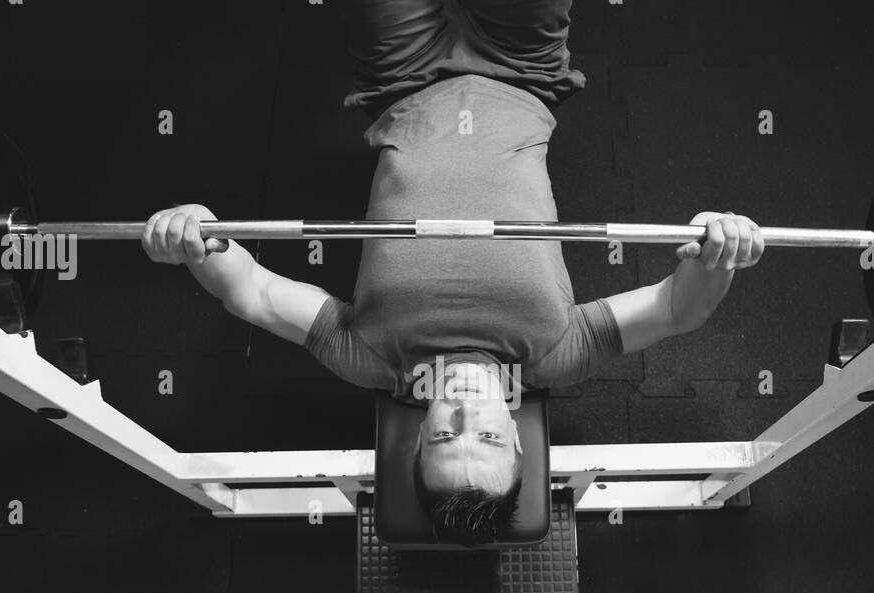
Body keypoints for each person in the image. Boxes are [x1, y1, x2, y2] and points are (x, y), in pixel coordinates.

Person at [140, 0, 764, 544]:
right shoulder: (554, 354)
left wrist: (201, 239)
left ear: (416, 440)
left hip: (399, 78)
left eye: (444, 439)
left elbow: (253, 293)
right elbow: (678, 309)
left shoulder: (370, 359)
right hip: (522, 71)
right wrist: (720, 252)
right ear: (518, 439)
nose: (464, 416)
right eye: (488, 440)